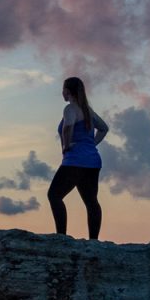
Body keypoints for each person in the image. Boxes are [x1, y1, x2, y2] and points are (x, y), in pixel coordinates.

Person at [48, 76, 109, 239]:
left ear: (67, 91)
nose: (62, 92)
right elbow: (104, 128)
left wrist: (66, 146)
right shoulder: (88, 110)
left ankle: (61, 237)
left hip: (75, 160)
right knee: (91, 201)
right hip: (93, 161)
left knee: (54, 195)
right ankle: (93, 241)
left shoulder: (70, 109)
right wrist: (91, 144)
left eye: (63, 90)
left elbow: (67, 127)